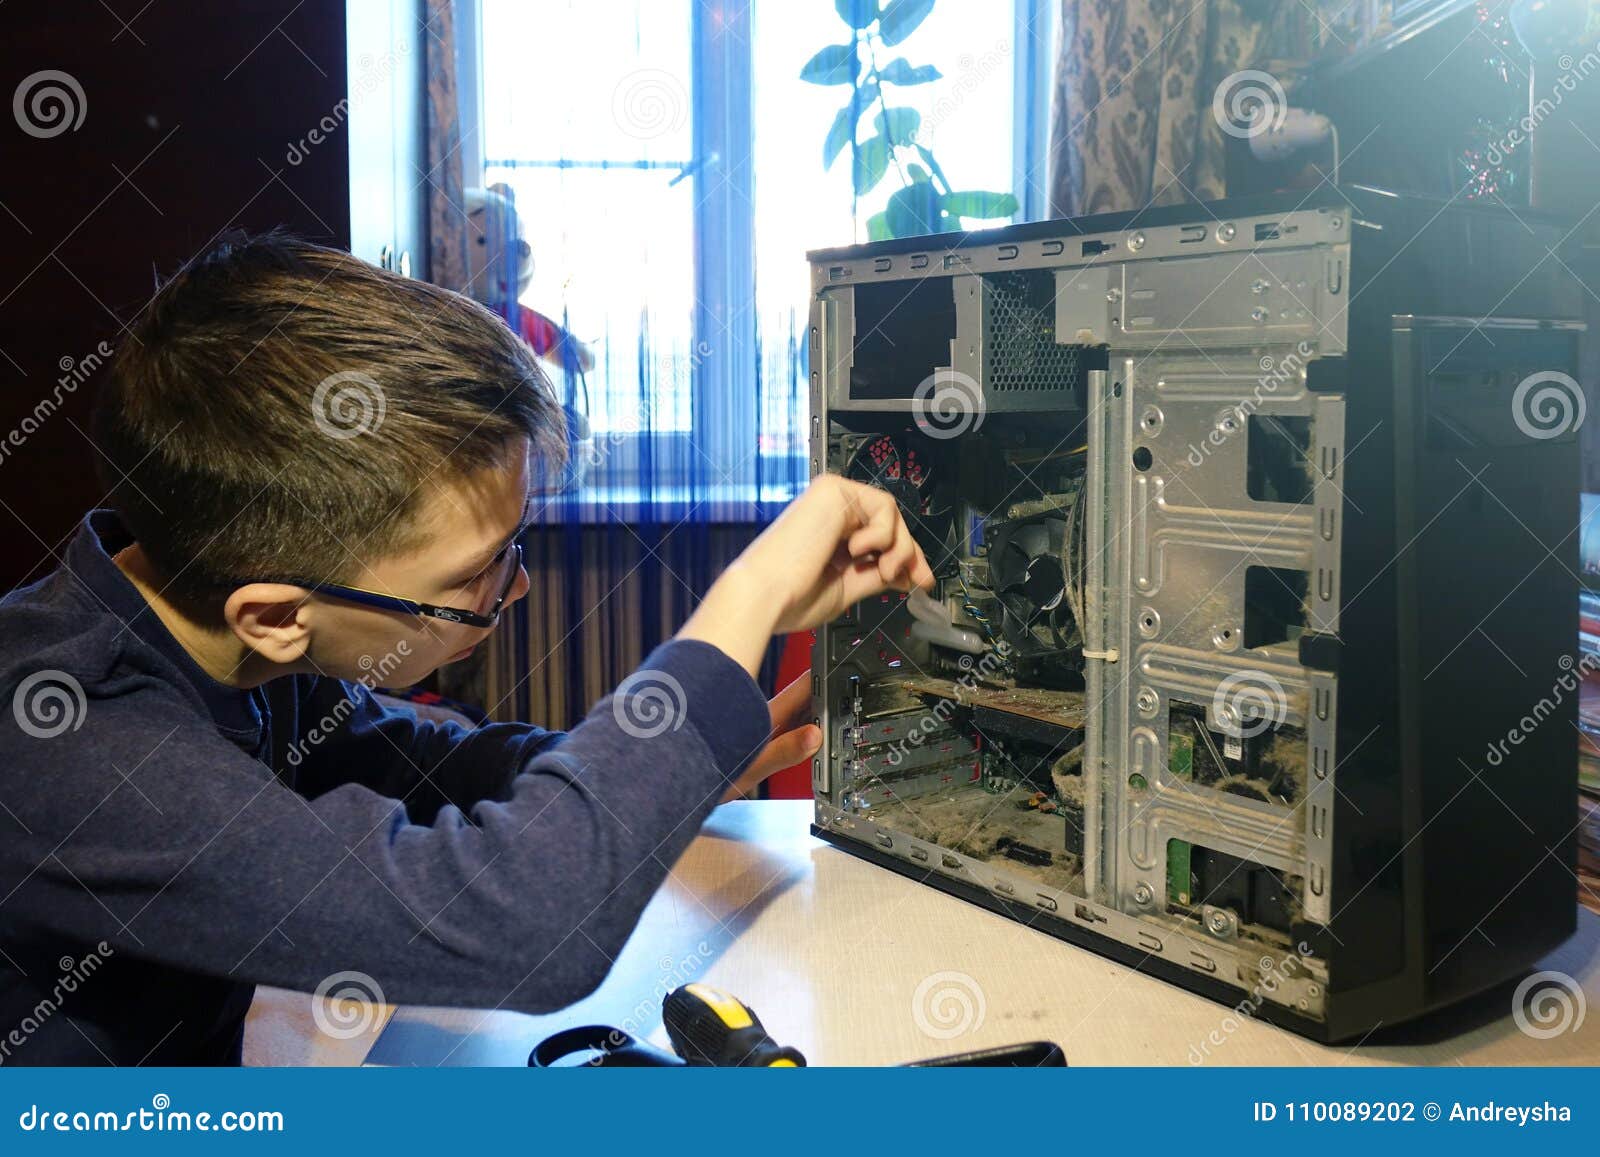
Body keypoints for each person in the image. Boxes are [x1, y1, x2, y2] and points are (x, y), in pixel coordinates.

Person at [0, 233, 933, 1065]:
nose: (514, 588)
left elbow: (422, 758)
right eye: (475, 575)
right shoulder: (67, 741)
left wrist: (664, 779)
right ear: (277, 612)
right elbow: (521, 927)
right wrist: (751, 597)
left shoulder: (212, 634)